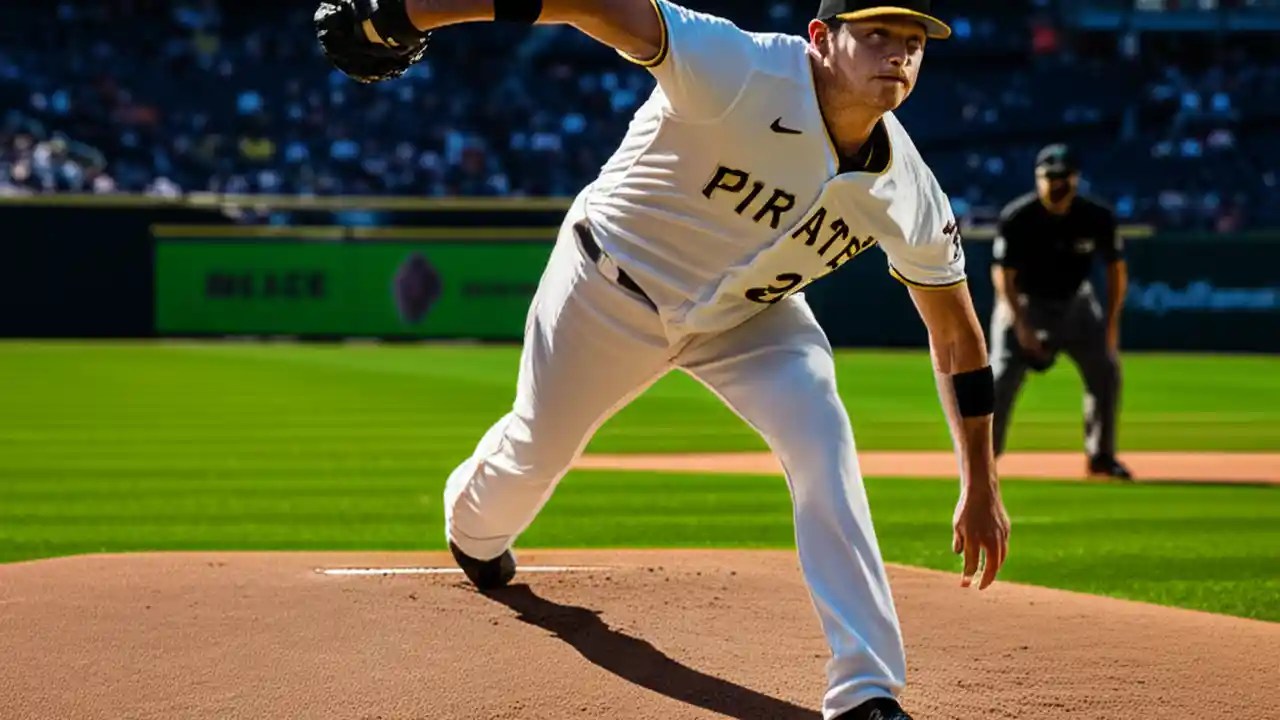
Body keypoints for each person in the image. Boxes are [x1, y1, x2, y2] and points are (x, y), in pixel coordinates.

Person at [317, 1, 1012, 718]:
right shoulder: (739, 67)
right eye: (874, 36)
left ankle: (866, 690)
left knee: (822, 435)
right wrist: (416, 10)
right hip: (609, 286)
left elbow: (959, 338)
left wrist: (981, 484)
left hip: (749, 317)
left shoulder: (910, 190)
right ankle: (471, 526)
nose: (896, 55)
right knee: (533, 453)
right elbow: (587, 3)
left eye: (911, 43)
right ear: (820, 39)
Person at [990, 144, 1132, 480]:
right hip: (1023, 301)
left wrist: (1111, 323)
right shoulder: (1019, 217)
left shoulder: (1096, 216)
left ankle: (1101, 456)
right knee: (999, 378)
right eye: (1049, 177)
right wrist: (1020, 324)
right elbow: (1002, 275)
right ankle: (983, 459)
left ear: (1076, 178)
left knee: (1106, 372)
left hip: (1077, 304)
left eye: (1063, 177)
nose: (1057, 184)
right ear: (1037, 179)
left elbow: (1116, 270)